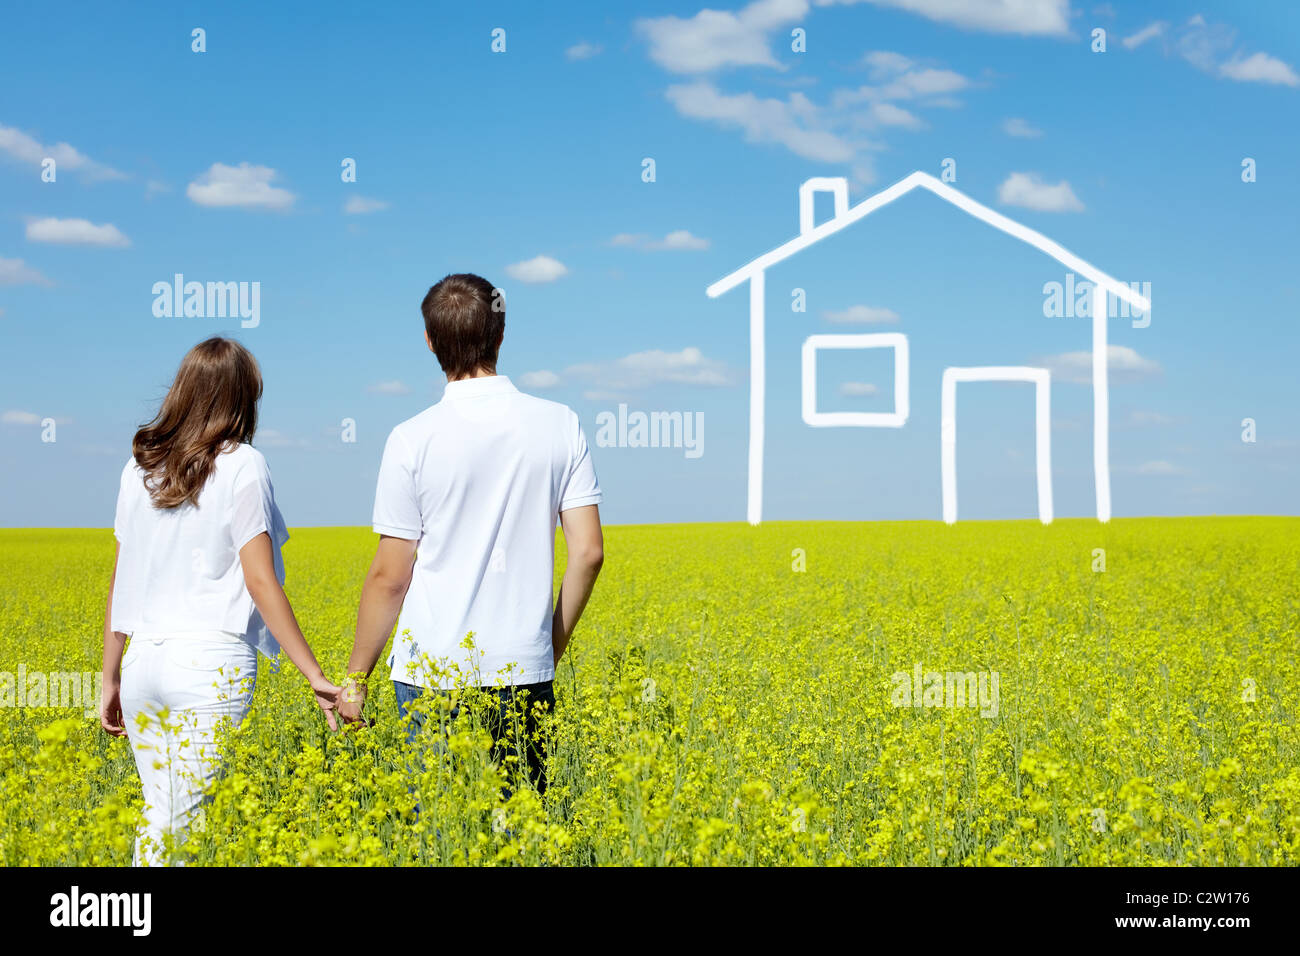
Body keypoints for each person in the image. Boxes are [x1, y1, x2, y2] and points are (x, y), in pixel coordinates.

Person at [339, 273, 604, 798]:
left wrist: (356, 678)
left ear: (430, 342)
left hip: (430, 672)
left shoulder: (411, 438)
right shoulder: (560, 424)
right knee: (522, 829)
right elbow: (589, 553)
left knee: (443, 833)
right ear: (501, 335)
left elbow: (391, 577)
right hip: (522, 666)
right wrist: (549, 646)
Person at [99, 336, 340, 866]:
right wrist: (314, 674)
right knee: (182, 828)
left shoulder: (139, 467)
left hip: (144, 661)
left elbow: (123, 579)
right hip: (210, 663)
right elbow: (260, 580)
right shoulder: (243, 464)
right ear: (242, 398)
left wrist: (110, 676)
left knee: (162, 818)